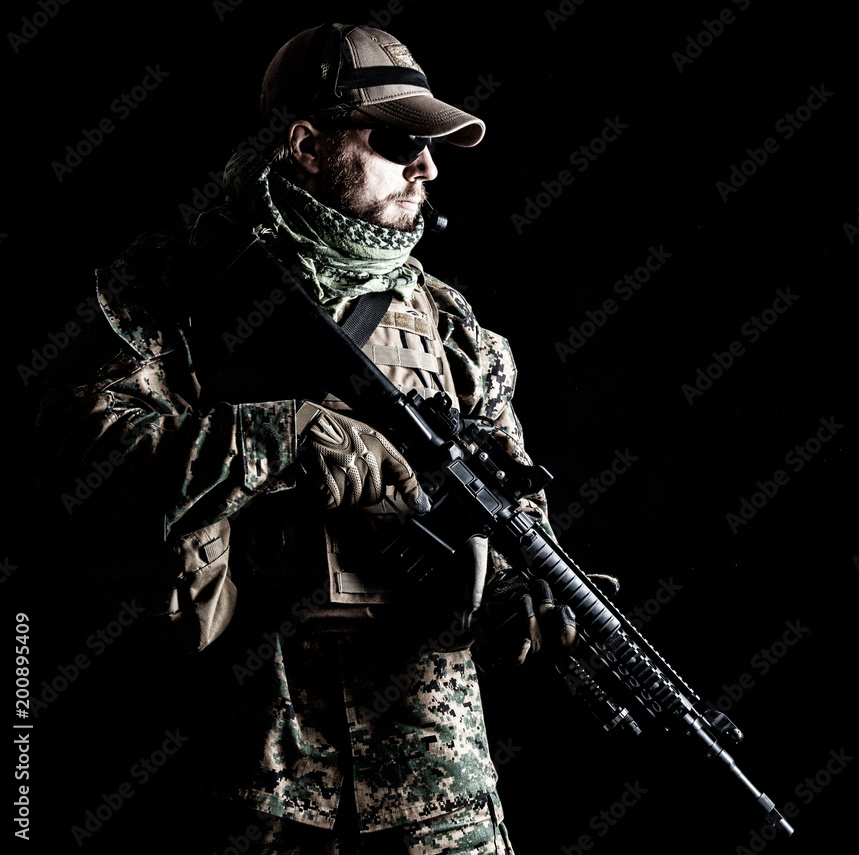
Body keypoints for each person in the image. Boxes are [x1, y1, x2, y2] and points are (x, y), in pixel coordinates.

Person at [36, 22, 578, 855]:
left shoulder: (449, 323)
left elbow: (518, 502)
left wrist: (519, 582)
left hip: (437, 800)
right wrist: (286, 435)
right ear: (306, 144)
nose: (427, 166)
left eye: (432, 146)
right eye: (400, 140)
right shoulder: (167, 289)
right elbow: (79, 460)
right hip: (249, 788)